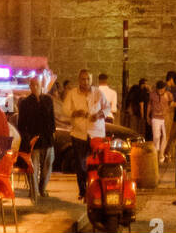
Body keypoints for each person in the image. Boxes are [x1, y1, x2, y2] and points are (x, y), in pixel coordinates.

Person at [62, 69, 109, 200]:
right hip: (79, 134)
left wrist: (99, 115)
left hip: (96, 133)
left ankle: (98, 189)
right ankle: (83, 191)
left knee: (97, 163)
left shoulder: (98, 93)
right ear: (79, 80)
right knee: (80, 164)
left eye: (88, 79)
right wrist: (75, 113)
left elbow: (107, 108)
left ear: (91, 80)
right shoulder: (72, 94)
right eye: (83, 79)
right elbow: (65, 109)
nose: (86, 82)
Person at [17, 77, 56, 200]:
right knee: (33, 167)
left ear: (41, 86)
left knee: (47, 166)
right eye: (32, 85)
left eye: (37, 85)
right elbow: (22, 124)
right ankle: (35, 193)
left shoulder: (48, 100)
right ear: (30, 87)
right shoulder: (25, 103)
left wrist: (52, 132)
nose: (35, 87)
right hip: (34, 140)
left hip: (47, 139)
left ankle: (42, 188)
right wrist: (27, 137)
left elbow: (52, 118)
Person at [150, 79, 169, 165]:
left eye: (162, 89)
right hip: (155, 117)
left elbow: (171, 104)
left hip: (165, 118)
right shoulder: (152, 95)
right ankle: (156, 154)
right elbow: (149, 105)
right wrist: (147, 116)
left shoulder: (168, 95)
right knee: (156, 136)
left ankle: (161, 154)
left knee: (165, 136)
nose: (161, 91)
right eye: (159, 89)